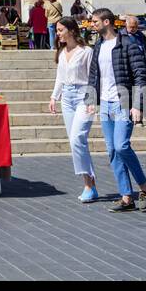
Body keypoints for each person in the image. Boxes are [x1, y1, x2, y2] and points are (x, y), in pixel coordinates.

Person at [86, 8, 146, 212]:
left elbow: (141, 74)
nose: (92, 25)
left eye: (95, 21)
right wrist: (91, 99)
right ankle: (126, 196)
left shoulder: (127, 44)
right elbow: (93, 75)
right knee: (112, 150)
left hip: (124, 101)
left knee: (122, 145)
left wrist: (138, 105)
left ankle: (143, 186)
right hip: (106, 103)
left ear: (107, 22)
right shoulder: (98, 46)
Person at [49, 16, 97, 202]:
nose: (58, 33)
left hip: (83, 95)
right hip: (67, 98)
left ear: (71, 30)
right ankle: (90, 182)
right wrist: (54, 96)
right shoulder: (62, 53)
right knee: (75, 142)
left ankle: (89, 185)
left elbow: (92, 77)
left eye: (60, 30)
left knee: (77, 139)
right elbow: (60, 77)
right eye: (57, 30)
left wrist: (91, 100)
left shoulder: (86, 51)